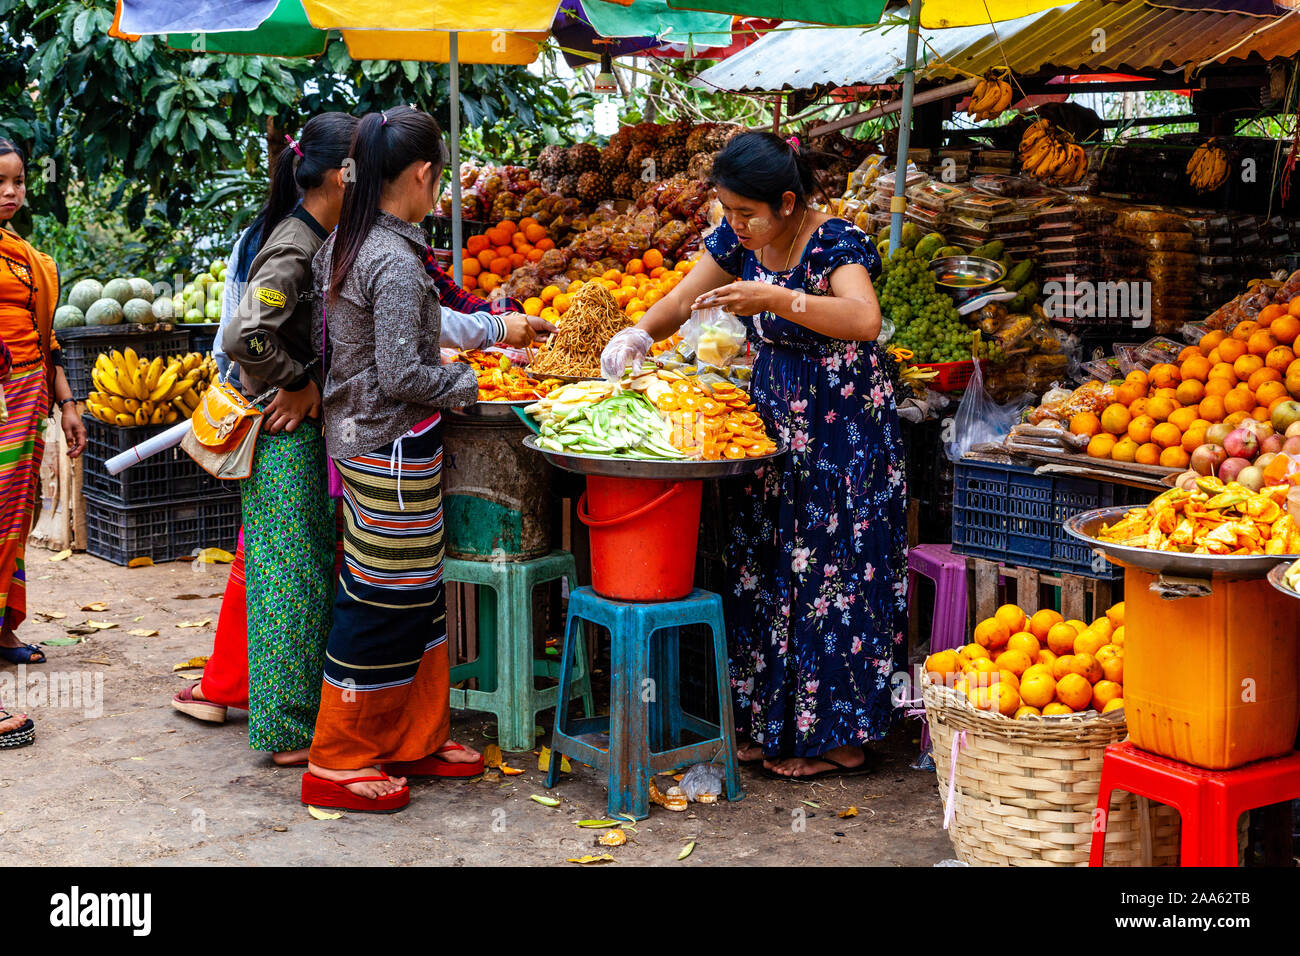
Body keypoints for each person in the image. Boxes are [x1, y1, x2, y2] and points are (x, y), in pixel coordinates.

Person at [601, 131, 907, 780]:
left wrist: (776, 298)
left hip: (842, 437)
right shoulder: (738, 240)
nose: (735, 225)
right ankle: (773, 726)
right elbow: (683, 300)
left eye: (746, 214)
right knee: (765, 570)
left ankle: (839, 738)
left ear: (788, 204)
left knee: (830, 580)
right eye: (727, 210)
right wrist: (638, 335)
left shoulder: (834, 241)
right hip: (772, 431)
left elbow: (863, 318)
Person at [305, 105, 480, 812]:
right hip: (390, 448)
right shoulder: (393, 259)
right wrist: (469, 382)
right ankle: (339, 758)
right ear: (421, 174)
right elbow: (405, 373)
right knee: (382, 600)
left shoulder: (359, 242)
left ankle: (413, 734)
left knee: (416, 597)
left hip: (370, 442)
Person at [0, 137, 86, 746]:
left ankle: (5, 629)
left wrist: (68, 403)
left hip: (28, 402)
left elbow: (45, 338)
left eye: (19, 180)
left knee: (16, 517)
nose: (11, 191)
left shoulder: (29, 259)